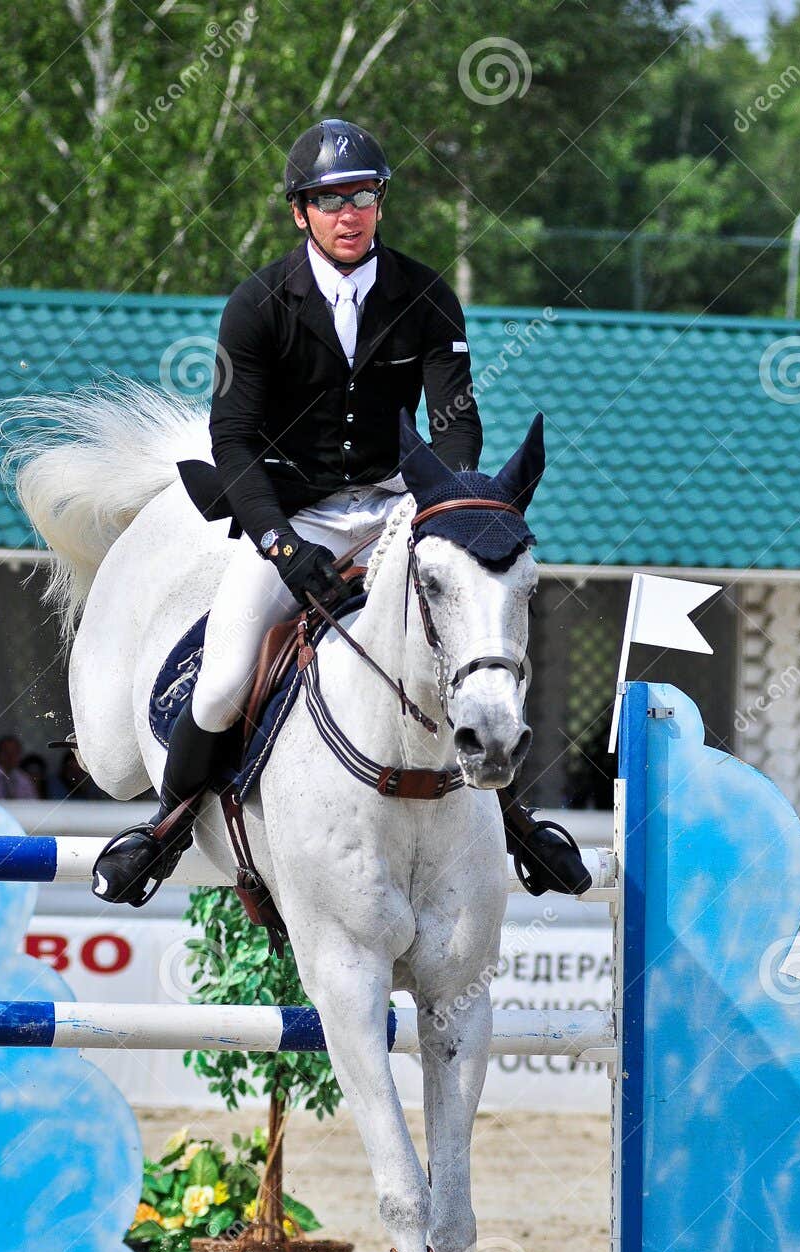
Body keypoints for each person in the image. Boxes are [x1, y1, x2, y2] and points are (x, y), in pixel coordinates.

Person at [93, 118, 588, 905]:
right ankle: (166, 824)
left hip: (401, 504)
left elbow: (454, 417)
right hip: (301, 510)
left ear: (380, 203)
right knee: (221, 682)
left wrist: (452, 499)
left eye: (362, 196)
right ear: (301, 212)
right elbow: (234, 440)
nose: (347, 213)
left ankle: (516, 821)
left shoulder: (425, 294)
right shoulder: (257, 305)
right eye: (329, 200)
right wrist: (283, 548)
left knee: (463, 652)